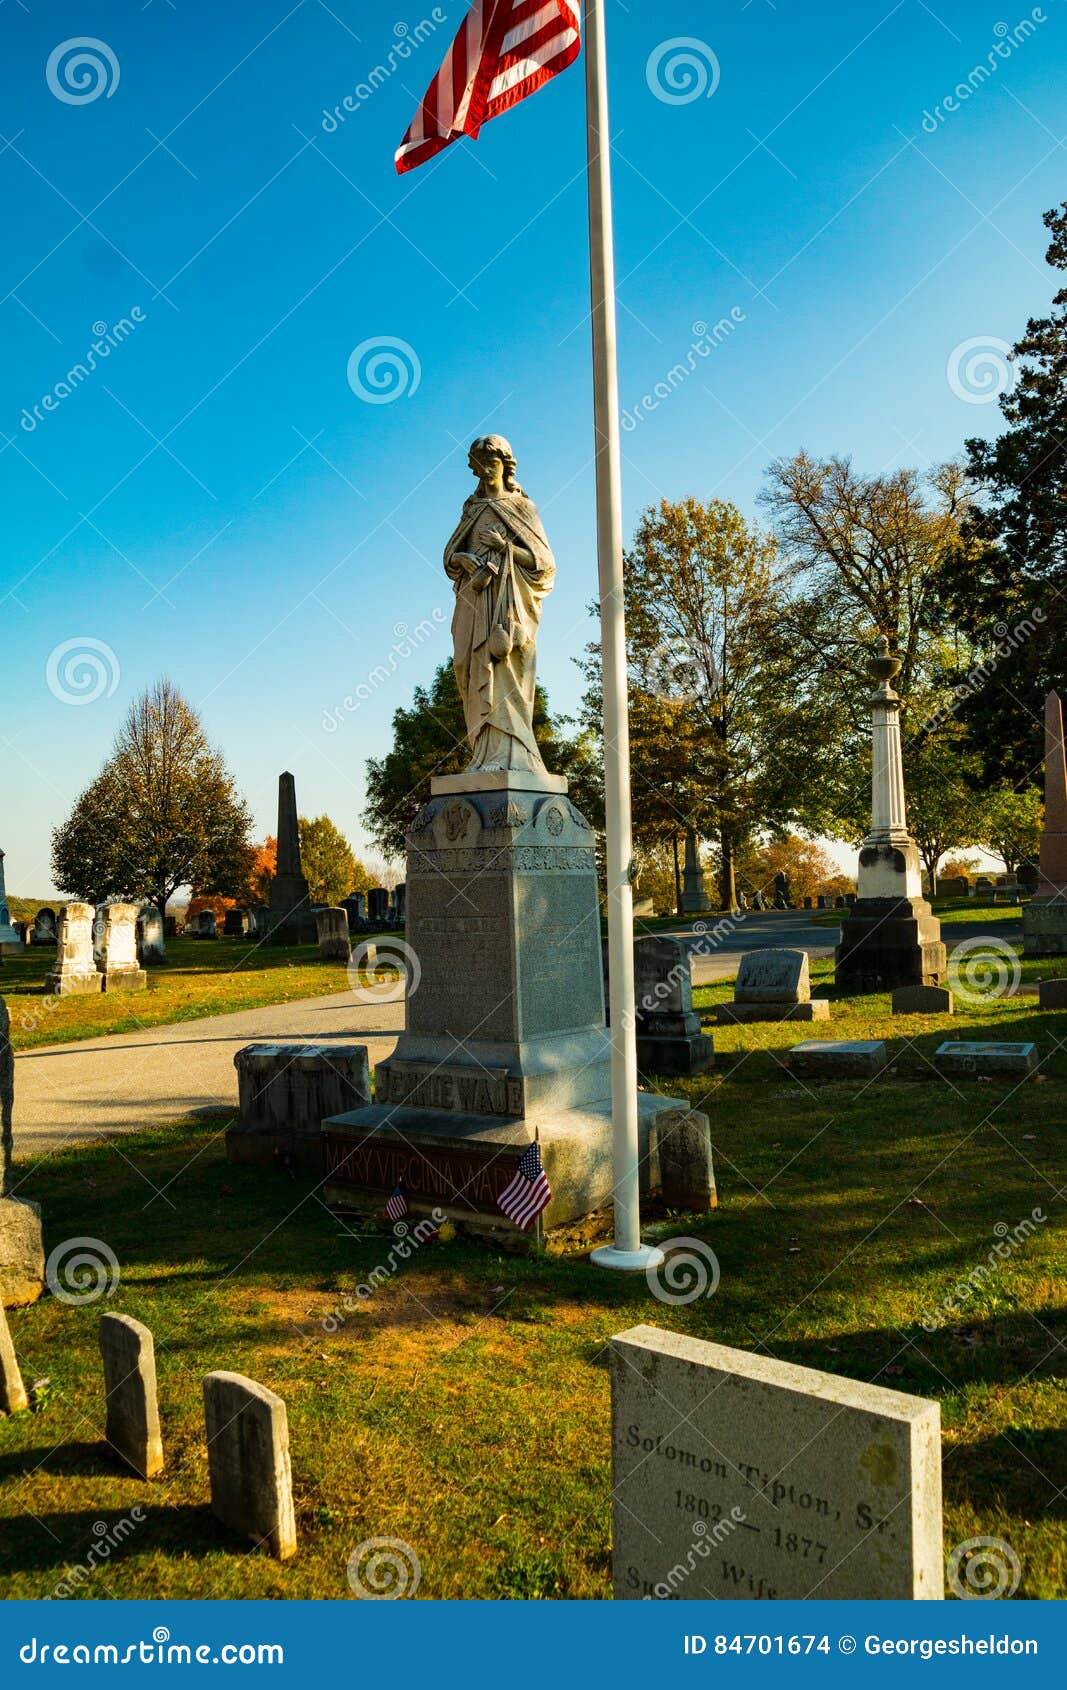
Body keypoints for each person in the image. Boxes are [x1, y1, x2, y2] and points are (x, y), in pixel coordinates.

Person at [444, 436, 556, 773]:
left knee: (505, 666)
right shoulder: (472, 508)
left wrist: (506, 547)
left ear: (505, 466)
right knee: (464, 664)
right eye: (479, 468)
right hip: (474, 600)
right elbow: (450, 556)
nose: (485, 473)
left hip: (508, 609)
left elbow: (544, 562)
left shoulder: (522, 508)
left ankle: (516, 755)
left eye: (491, 465)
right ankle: (481, 753)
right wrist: (463, 559)